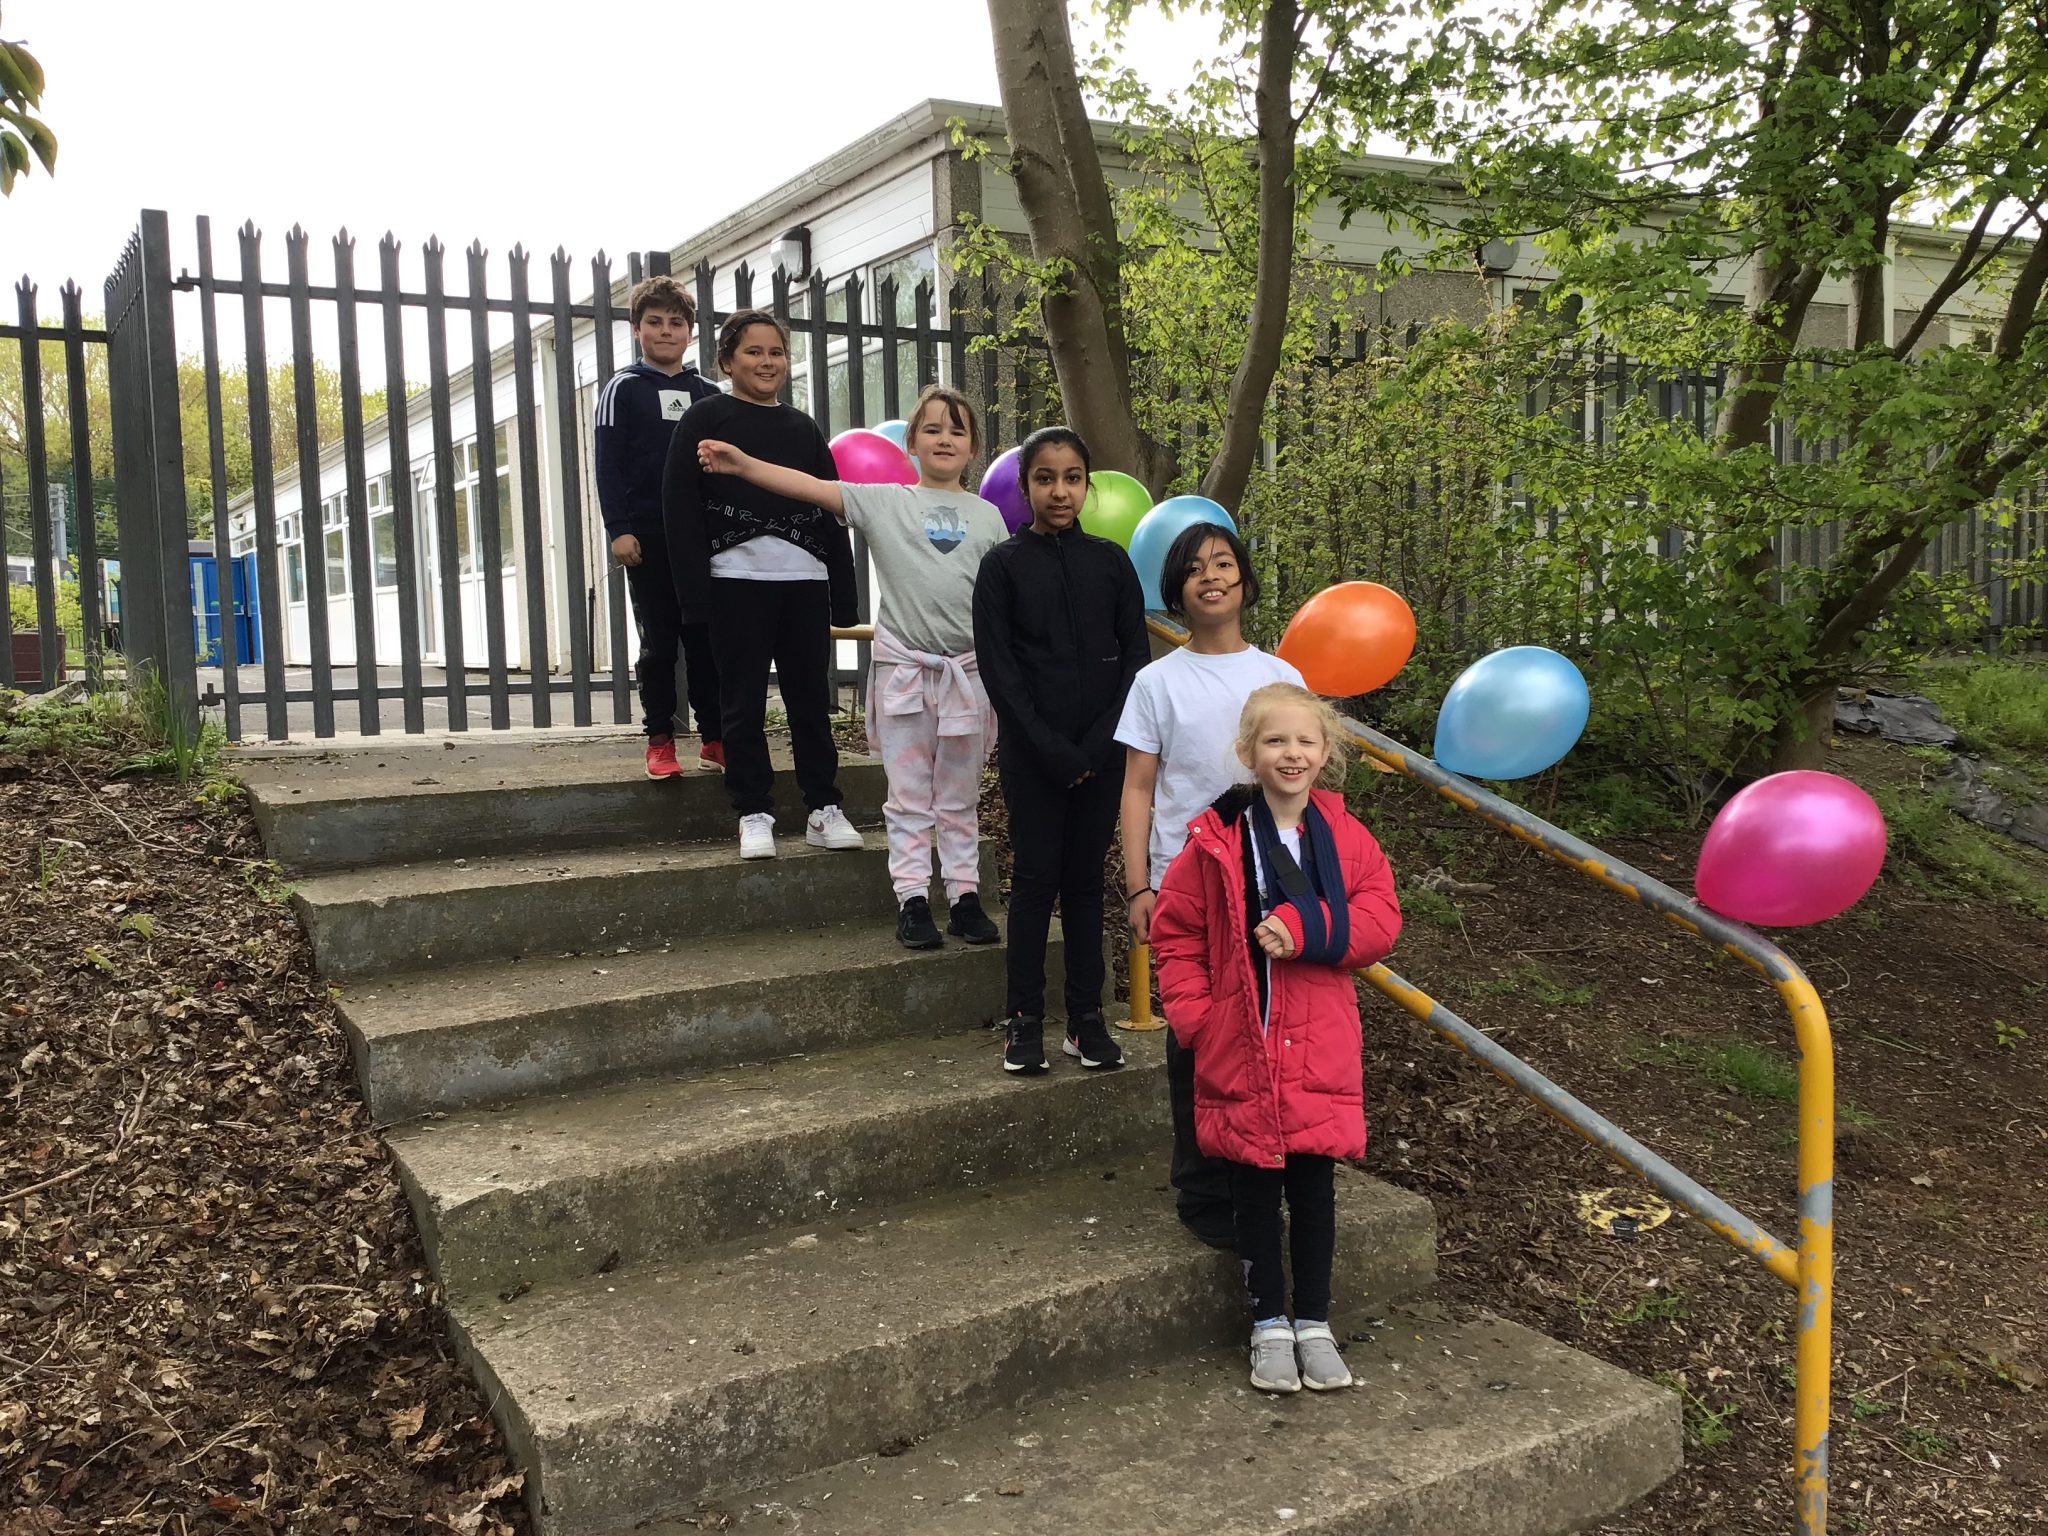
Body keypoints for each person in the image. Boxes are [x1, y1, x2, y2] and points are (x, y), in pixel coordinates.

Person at [1149, 683, 1402, 1394]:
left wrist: (1305, 929)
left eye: (1304, 741)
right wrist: (1198, 1021)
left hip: (1318, 1040)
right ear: (1247, 752)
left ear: (1326, 753)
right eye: (1274, 741)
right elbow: (1177, 933)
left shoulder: (1348, 839)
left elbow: (1381, 918)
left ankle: (1315, 1321)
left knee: (1315, 1186)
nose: (1291, 753)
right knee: (1254, 1188)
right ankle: (1268, 1324)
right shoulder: (1216, 840)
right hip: (1243, 1039)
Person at [695, 384, 1005, 949]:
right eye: (932, 428)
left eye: (957, 430)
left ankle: (964, 896)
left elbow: (1009, 600)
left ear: (974, 447)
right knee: (909, 797)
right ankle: (912, 899)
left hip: (969, 679)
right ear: (911, 441)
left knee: (959, 799)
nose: (944, 438)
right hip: (906, 675)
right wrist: (742, 465)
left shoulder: (989, 518)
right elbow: (811, 487)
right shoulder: (885, 502)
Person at [1116, 522, 1302, 1249]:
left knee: (1271, 1031)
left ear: (1245, 580)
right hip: (1186, 887)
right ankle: (1201, 1190)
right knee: (1195, 1038)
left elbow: (1305, 783)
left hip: (1270, 883)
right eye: (1194, 569)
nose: (1211, 577)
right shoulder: (1155, 682)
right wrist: (1140, 886)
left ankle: (1262, 1175)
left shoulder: (1281, 677)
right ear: (1176, 591)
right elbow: (1138, 789)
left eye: (1224, 563)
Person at [972, 426, 1147, 1076]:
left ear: (1087, 483)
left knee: (1083, 884)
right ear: (1025, 488)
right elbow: (1001, 671)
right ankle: (1022, 1021)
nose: (1060, 490)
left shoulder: (1110, 562)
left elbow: (1135, 660)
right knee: (1035, 883)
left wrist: (1096, 747)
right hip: (1034, 760)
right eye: (1045, 478)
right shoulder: (1003, 567)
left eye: (1072, 476)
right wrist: (1052, 751)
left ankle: (1085, 1019)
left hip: (1101, 758)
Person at [661, 309, 864, 861]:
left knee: (809, 701)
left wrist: (842, 595)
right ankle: (753, 811)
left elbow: (830, 506)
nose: (767, 362)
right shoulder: (704, 420)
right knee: (742, 702)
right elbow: (679, 510)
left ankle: (824, 806)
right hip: (735, 584)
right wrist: (694, 596)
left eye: (775, 352)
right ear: (727, 360)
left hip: (804, 583)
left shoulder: (802, 428)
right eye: (753, 351)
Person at [592, 275, 724, 777]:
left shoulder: (708, 393)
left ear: (690, 332)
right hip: (646, 536)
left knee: (707, 639)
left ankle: (714, 738)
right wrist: (618, 529)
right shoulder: (622, 389)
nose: (665, 332)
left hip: (705, 537)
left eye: (676, 323)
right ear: (636, 329)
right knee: (659, 643)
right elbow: (608, 465)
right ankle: (660, 739)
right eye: (654, 322)